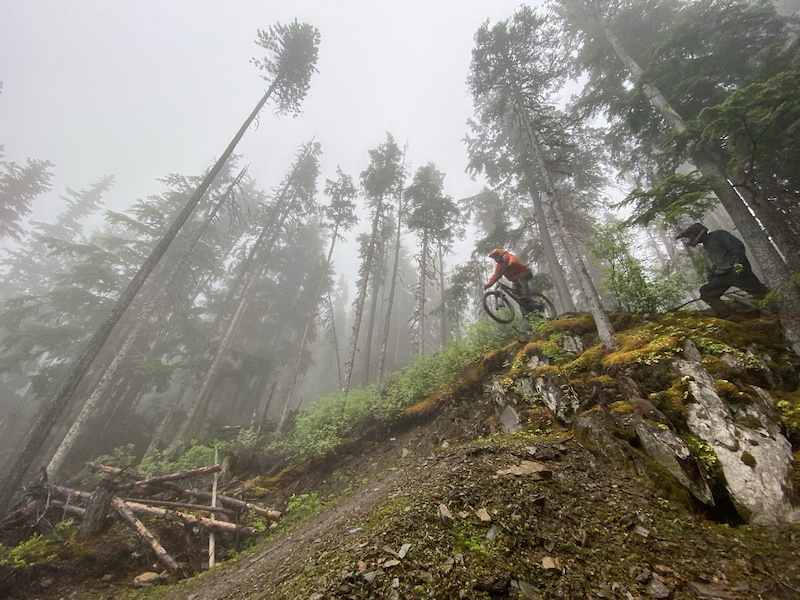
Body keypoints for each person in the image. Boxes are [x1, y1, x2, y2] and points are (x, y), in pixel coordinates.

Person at [675, 223, 769, 318]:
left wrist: (737, 263)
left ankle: (777, 309)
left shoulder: (718, 235)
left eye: (690, 236)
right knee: (706, 293)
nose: (690, 239)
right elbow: (710, 267)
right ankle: (733, 315)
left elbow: (737, 247)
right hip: (722, 276)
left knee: (760, 293)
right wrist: (709, 281)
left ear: (697, 233)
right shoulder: (705, 249)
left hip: (736, 272)